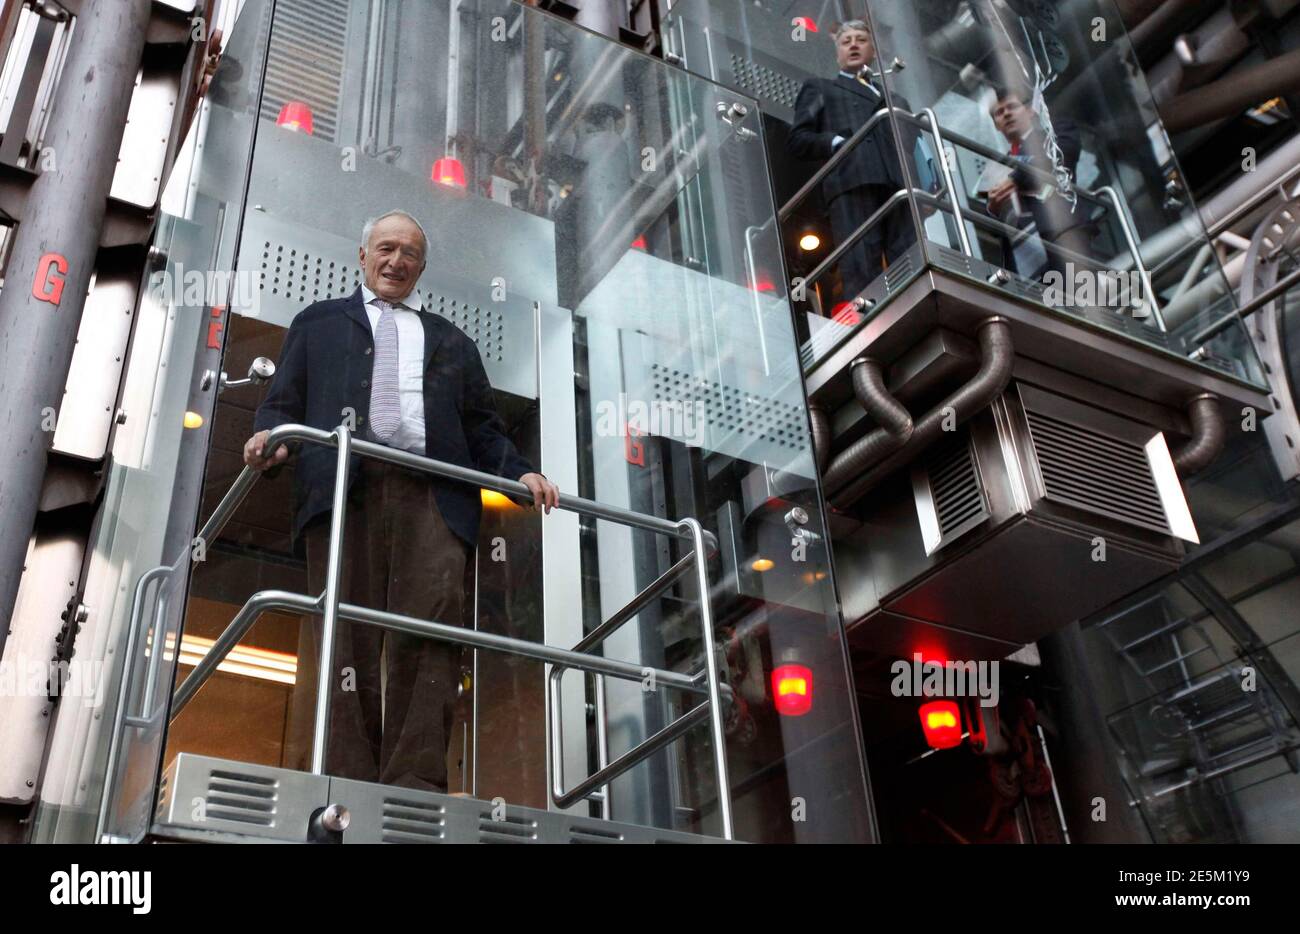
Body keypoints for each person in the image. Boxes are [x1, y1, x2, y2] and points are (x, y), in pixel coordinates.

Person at [243, 209, 559, 792]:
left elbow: (484, 429)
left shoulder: (451, 341)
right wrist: (270, 439)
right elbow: (282, 402)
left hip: (433, 494)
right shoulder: (317, 323)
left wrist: (522, 471)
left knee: (431, 631)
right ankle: (344, 780)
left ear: (421, 267)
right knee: (345, 630)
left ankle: (414, 782)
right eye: (385, 249)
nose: (396, 261)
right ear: (362, 256)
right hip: (344, 489)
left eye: (409, 253)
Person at [787, 19, 920, 301]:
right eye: (846, 42)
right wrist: (837, 143)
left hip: (896, 182)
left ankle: (917, 303)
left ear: (873, 50)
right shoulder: (821, 89)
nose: (854, 45)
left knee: (908, 258)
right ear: (837, 54)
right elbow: (798, 139)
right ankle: (867, 323)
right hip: (851, 181)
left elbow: (911, 143)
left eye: (861, 39)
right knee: (860, 266)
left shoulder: (894, 99)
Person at [984, 84, 1093, 280]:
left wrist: (1014, 180)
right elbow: (993, 225)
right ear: (996, 125)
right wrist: (992, 208)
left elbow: (1056, 157)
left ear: (1030, 110)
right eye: (999, 112)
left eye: (1012, 107)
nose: (1006, 114)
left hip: (1061, 236)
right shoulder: (997, 167)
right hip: (1022, 260)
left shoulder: (1054, 133)